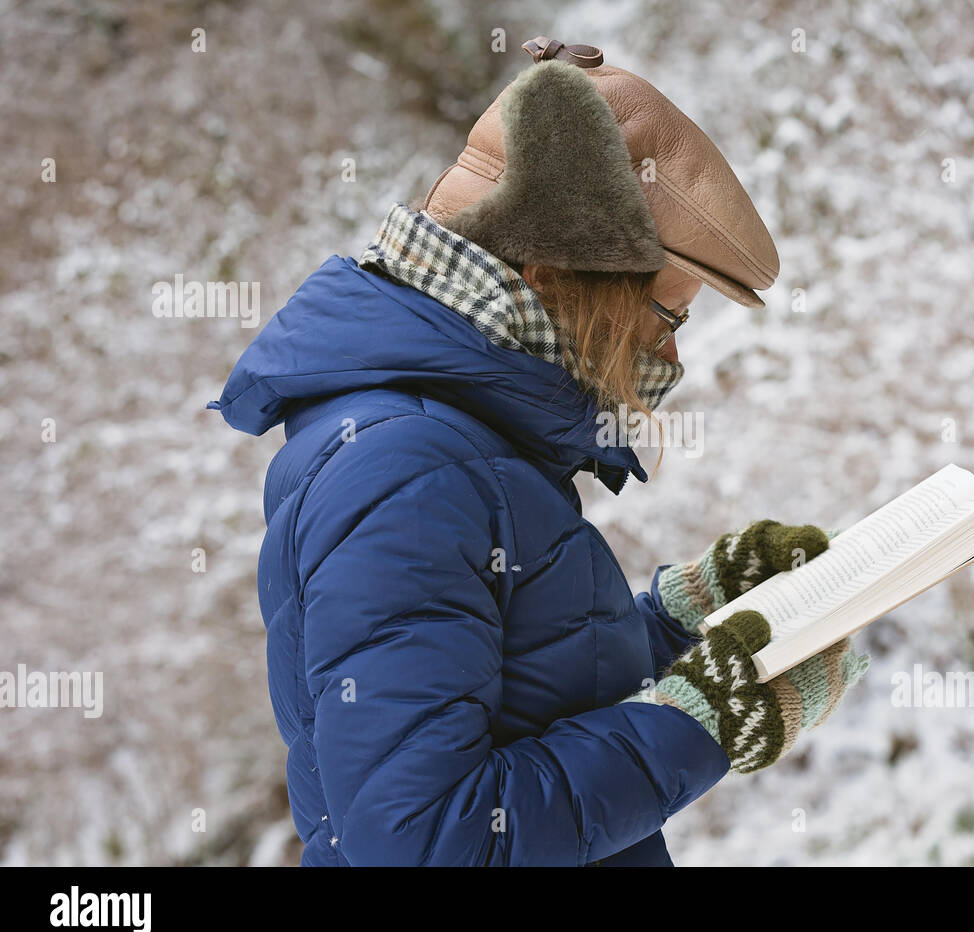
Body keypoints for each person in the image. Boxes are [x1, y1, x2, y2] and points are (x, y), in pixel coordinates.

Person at [207, 37, 869, 867]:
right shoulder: (409, 470)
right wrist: (704, 721)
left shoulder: (453, 440)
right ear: (560, 275)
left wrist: (685, 617)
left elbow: (513, 689)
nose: (670, 361)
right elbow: (426, 839)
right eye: (668, 319)